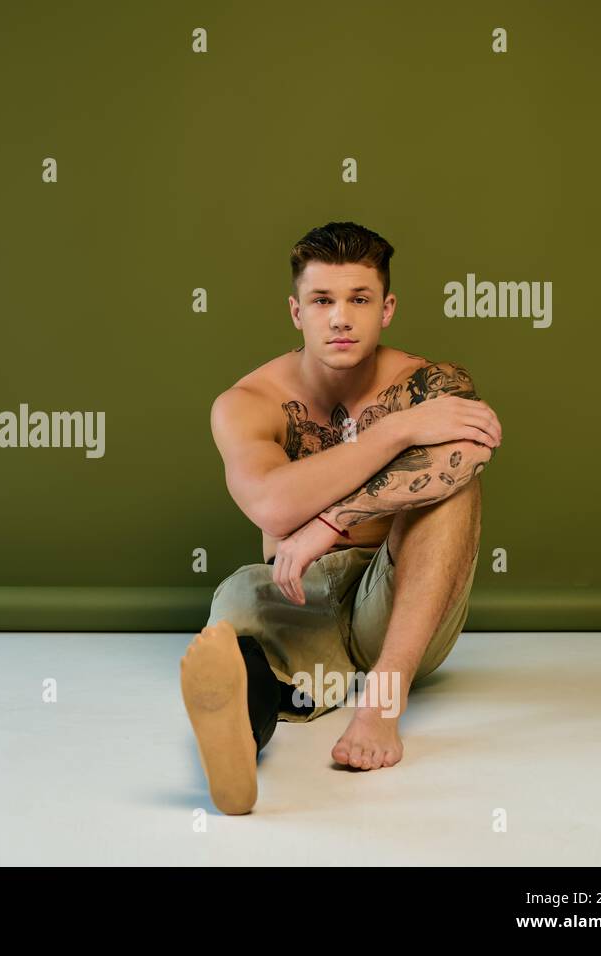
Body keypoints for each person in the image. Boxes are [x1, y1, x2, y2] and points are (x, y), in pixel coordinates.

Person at [182, 221, 503, 815]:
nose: (339, 318)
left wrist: (331, 520)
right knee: (239, 620)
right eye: (322, 301)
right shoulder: (246, 403)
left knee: (455, 488)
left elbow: (472, 449)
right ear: (295, 311)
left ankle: (382, 703)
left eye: (358, 299)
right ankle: (238, 744)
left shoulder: (429, 383)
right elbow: (274, 506)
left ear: (387, 308)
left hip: (402, 603)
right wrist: (400, 431)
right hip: (296, 599)